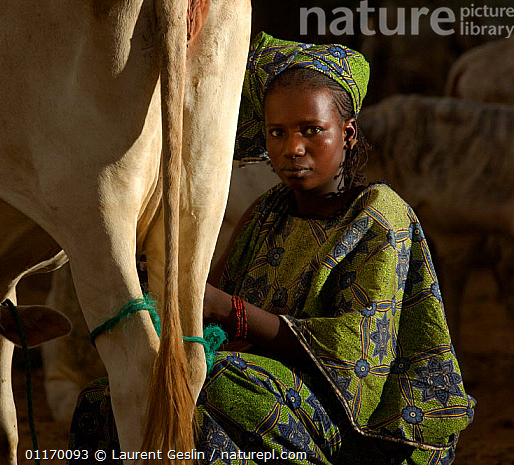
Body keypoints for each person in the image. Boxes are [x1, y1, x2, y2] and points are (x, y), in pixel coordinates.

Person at [67, 32, 475, 464]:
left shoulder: (379, 218)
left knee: (214, 387)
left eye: (311, 131)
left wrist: (228, 311)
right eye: (276, 132)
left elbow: (354, 360)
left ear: (348, 134)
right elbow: (208, 302)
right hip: (263, 382)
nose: (291, 148)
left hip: (364, 422)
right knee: (108, 394)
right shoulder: (267, 210)